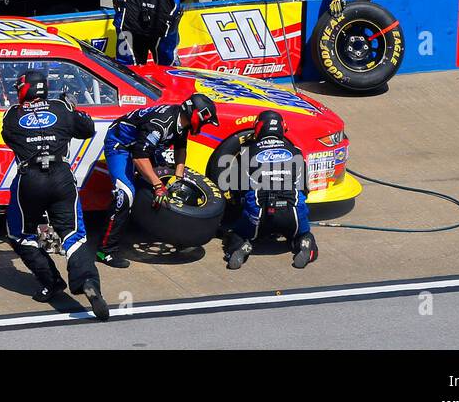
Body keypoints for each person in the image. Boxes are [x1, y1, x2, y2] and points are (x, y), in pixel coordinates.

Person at [1, 69, 109, 320]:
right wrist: (73, 108)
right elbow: (88, 128)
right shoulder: (62, 107)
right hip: (61, 175)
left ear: (23, 89)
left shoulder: (11, 116)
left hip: (30, 178)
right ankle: (89, 283)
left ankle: (51, 282)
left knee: (20, 234)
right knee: (73, 235)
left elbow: (8, 137)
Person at [96, 93, 217, 267]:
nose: (205, 125)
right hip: (121, 145)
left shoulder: (181, 120)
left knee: (165, 183)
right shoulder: (160, 125)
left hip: (145, 148)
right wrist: (158, 185)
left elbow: (181, 147)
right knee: (125, 195)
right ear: (194, 114)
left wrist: (178, 176)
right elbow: (139, 157)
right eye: (205, 121)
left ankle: (145, 224)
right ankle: (104, 250)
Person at [225, 110, 317, 270]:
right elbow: (306, 190)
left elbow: (236, 191)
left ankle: (241, 247)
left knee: (235, 234)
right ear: (282, 128)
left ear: (258, 128)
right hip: (293, 213)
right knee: (304, 232)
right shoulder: (297, 151)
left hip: (259, 215)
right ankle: (305, 245)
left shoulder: (246, 152)